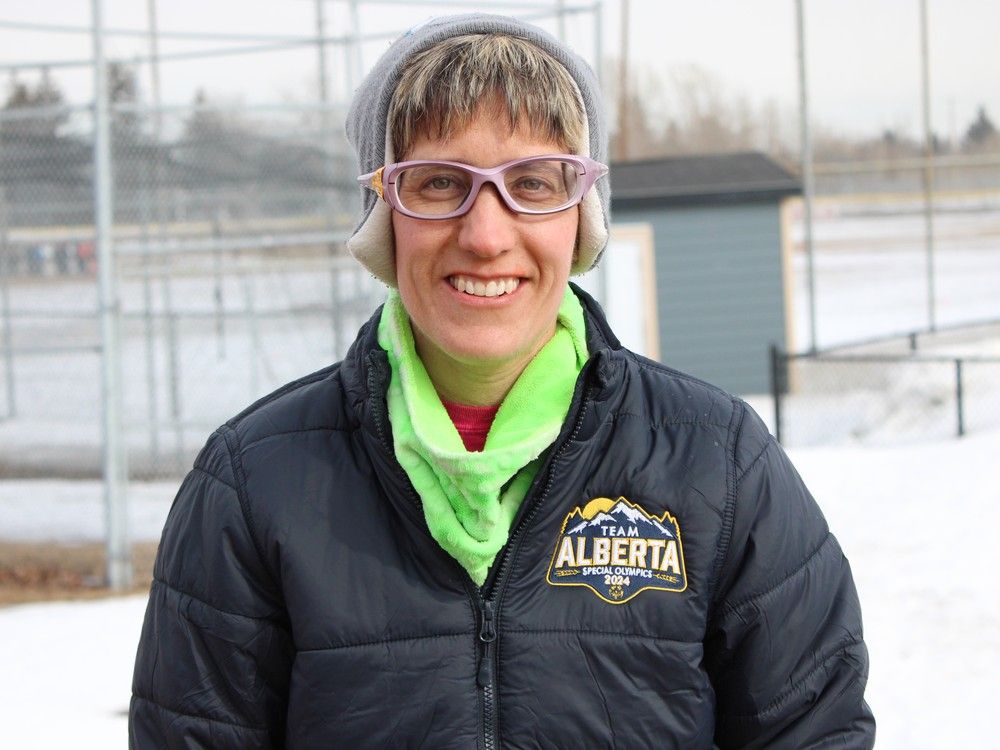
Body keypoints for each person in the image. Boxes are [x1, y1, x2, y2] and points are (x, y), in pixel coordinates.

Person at [130, 13, 874, 748]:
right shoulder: (255, 482)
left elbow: (813, 732)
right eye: (438, 183)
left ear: (581, 213)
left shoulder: (718, 464)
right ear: (384, 214)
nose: (487, 236)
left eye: (535, 182)